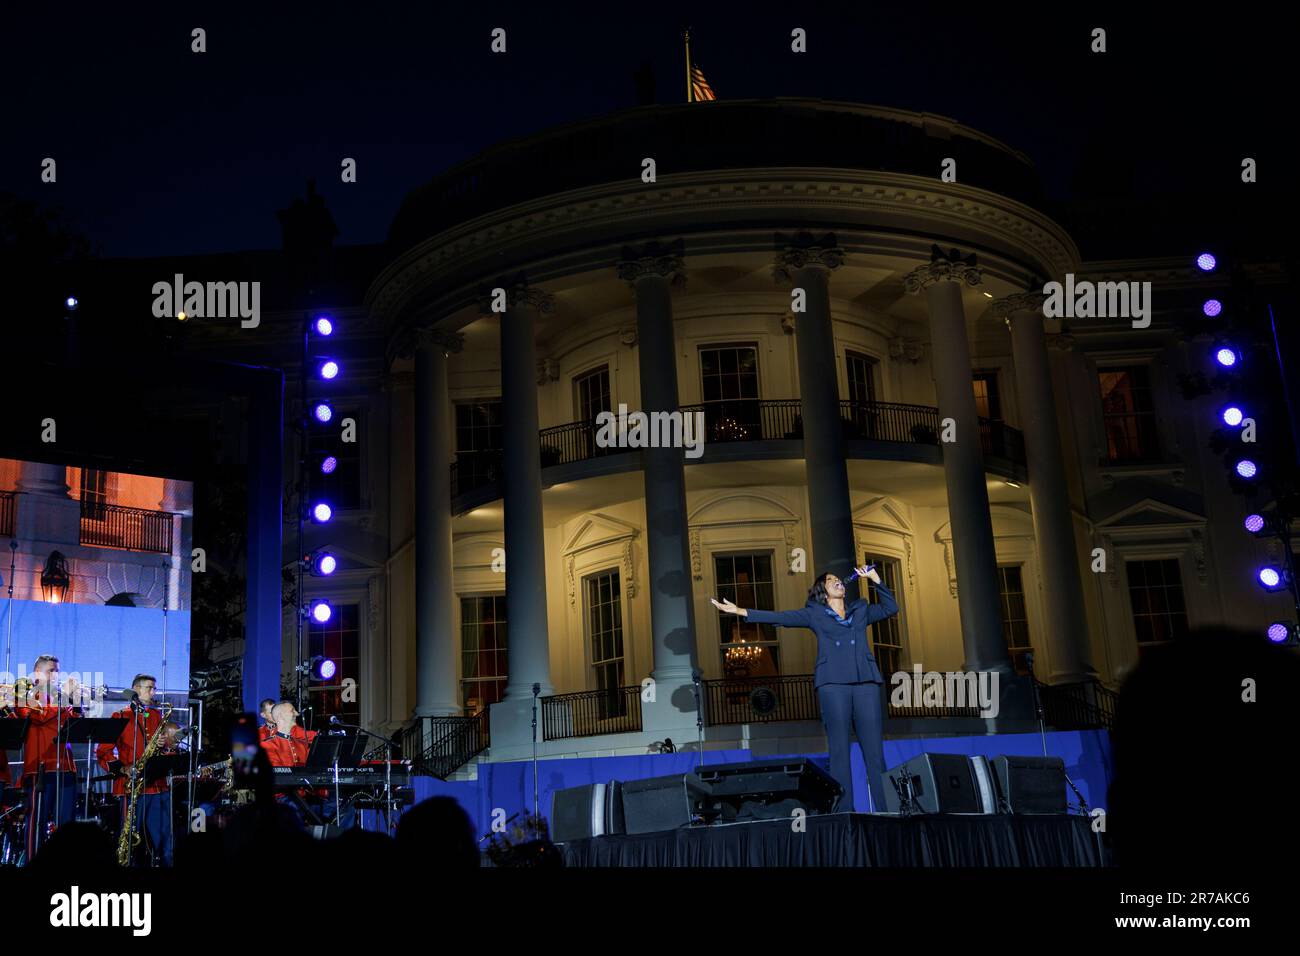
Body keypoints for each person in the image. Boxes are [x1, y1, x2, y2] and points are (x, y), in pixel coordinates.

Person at [712, 564, 898, 812]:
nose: (837, 581)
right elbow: (780, 617)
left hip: (866, 684)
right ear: (822, 590)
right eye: (831, 579)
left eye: (838, 579)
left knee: (875, 754)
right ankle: (845, 814)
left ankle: (889, 812)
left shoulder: (861, 609)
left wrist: (876, 579)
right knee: (839, 754)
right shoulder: (815, 614)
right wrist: (740, 611)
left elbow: (890, 608)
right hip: (833, 686)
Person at [96, 674, 173, 866]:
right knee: (129, 838)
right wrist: (122, 768)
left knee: (164, 836)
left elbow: (163, 749)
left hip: (157, 785)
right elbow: (102, 752)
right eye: (149, 688)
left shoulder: (156, 715)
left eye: (154, 688)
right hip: (131, 787)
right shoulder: (120, 716)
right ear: (136, 689)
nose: (154, 692)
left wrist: (164, 744)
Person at [14, 655, 81, 859]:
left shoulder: (60, 696)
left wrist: (76, 702)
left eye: (58, 671)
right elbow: (37, 717)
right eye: (51, 670)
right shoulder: (25, 694)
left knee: (67, 824)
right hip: (40, 767)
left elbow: (77, 724)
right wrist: (64, 702)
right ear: (37, 673)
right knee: (37, 822)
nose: (56, 675)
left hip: (66, 766)